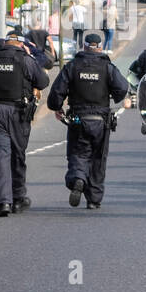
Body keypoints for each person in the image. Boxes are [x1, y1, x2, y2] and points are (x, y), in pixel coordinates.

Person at [46, 32, 130, 209]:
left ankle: (78, 178)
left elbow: (56, 92)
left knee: (78, 153)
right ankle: (94, 199)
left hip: (78, 118)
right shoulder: (107, 67)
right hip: (101, 120)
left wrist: (57, 107)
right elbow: (122, 88)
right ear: (99, 47)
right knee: (98, 158)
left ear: (84, 46)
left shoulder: (73, 66)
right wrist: (113, 95)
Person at [0, 29, 49, 216]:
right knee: (17, 154)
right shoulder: (25, 60)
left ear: (6, 42)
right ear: (21, 44)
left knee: (0, 155)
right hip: (19, 113)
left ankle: (2, 202)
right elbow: (43, 81)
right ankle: (18, 197)